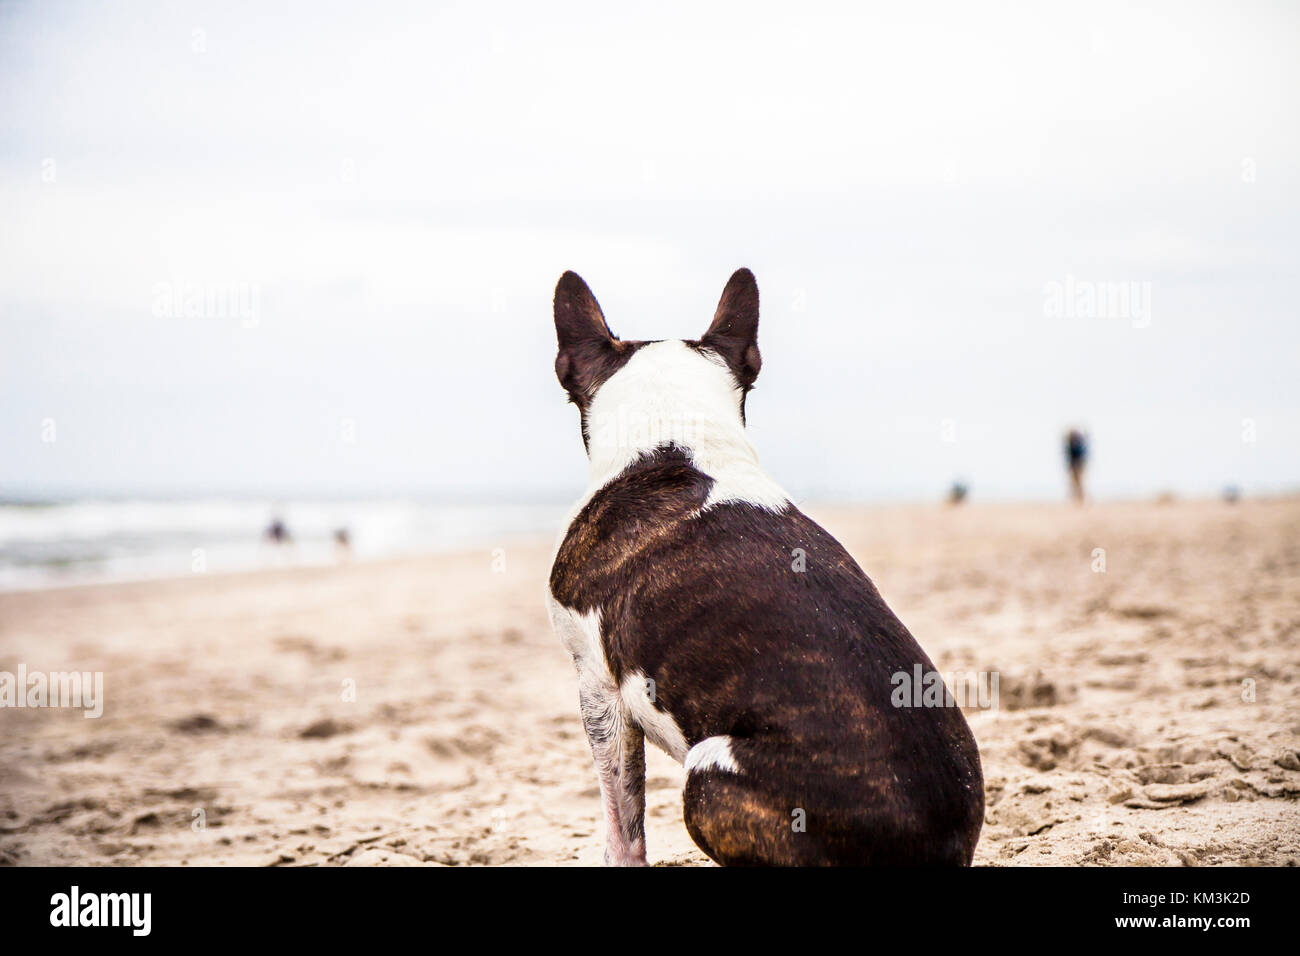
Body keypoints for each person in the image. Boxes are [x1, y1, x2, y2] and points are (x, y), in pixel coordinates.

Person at [1064, 429, 1088, 503]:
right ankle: (1077, 498)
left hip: (1078, 465)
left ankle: (1081, 498)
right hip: (1074, 466)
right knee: (1074, 482)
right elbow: (1069, 457)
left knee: (1079, 482)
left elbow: (1081, 456)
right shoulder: (1070, 445)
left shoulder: (1079, 445)